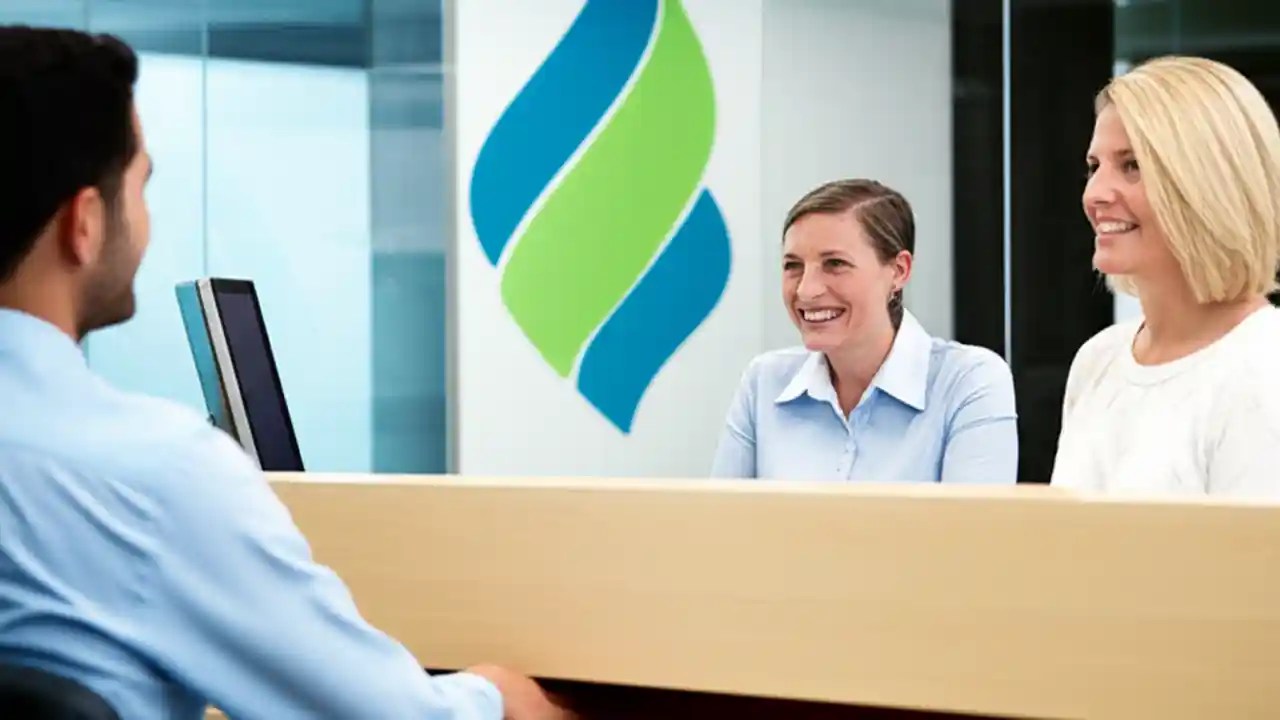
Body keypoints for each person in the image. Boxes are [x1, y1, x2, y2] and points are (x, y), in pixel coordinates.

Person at [0, 26, 571, 720]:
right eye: (141, 185)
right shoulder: (153, 477)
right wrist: (493, 695)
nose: (146, 217)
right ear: (84, 224)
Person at [1050, 56, 1280, 499]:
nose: (1094, 194)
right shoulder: (1098, 361)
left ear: (1209, 184)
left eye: (1131, 165)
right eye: (1094, 166)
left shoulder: (1264, 369)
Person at [711, 179, 1017, 483]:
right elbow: (718, 526)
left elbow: (976, 530)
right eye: (793, 266)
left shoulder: (968, 382)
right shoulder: (764, 382)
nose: (806, 290)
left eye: (835, 263)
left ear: (899, 271)